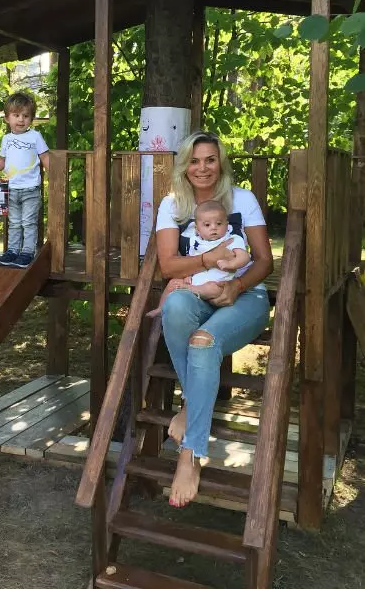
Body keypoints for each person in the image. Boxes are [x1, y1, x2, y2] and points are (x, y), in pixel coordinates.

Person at [155, 130, 273, 508]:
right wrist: (208, 259)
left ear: (220, 162)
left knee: (203, 342)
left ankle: (189, 456)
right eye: (194, 160)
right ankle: (194, 402)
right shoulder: (173, 205)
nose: (202, 167)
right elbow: (167, 265)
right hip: (198, 295)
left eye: (210, 159)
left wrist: (237, 286)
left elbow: (264, 260)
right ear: (184, 165)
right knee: (174, 307)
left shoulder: (242, 199)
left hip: (245, 297)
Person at [147, 199, 250, 316]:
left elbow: (244, 257)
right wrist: (187, 276)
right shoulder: (196, 242)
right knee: (173, 283)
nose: (213, 228)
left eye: (219, 223)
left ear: (227, 224)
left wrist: (231, 264)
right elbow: (191, 262)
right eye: (207, 225)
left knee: (213, 288)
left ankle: (190, 290)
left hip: (218, 283)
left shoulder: (231, 239)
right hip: (195, 281)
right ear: (197, 228)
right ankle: (161, 308)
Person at [0, 92, 49, 268]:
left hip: (31, 188)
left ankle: (27, 252)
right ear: (7, 118)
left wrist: (55, 175)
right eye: (16, 115)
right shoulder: (6, 139)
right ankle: (12, 251)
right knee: (14, 222)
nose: (21, 120)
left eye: (25, 116)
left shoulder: (35, 136)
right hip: (11, 188)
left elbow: (45, 157)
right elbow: (3, 160)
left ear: (31, 119)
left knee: (28, 222)